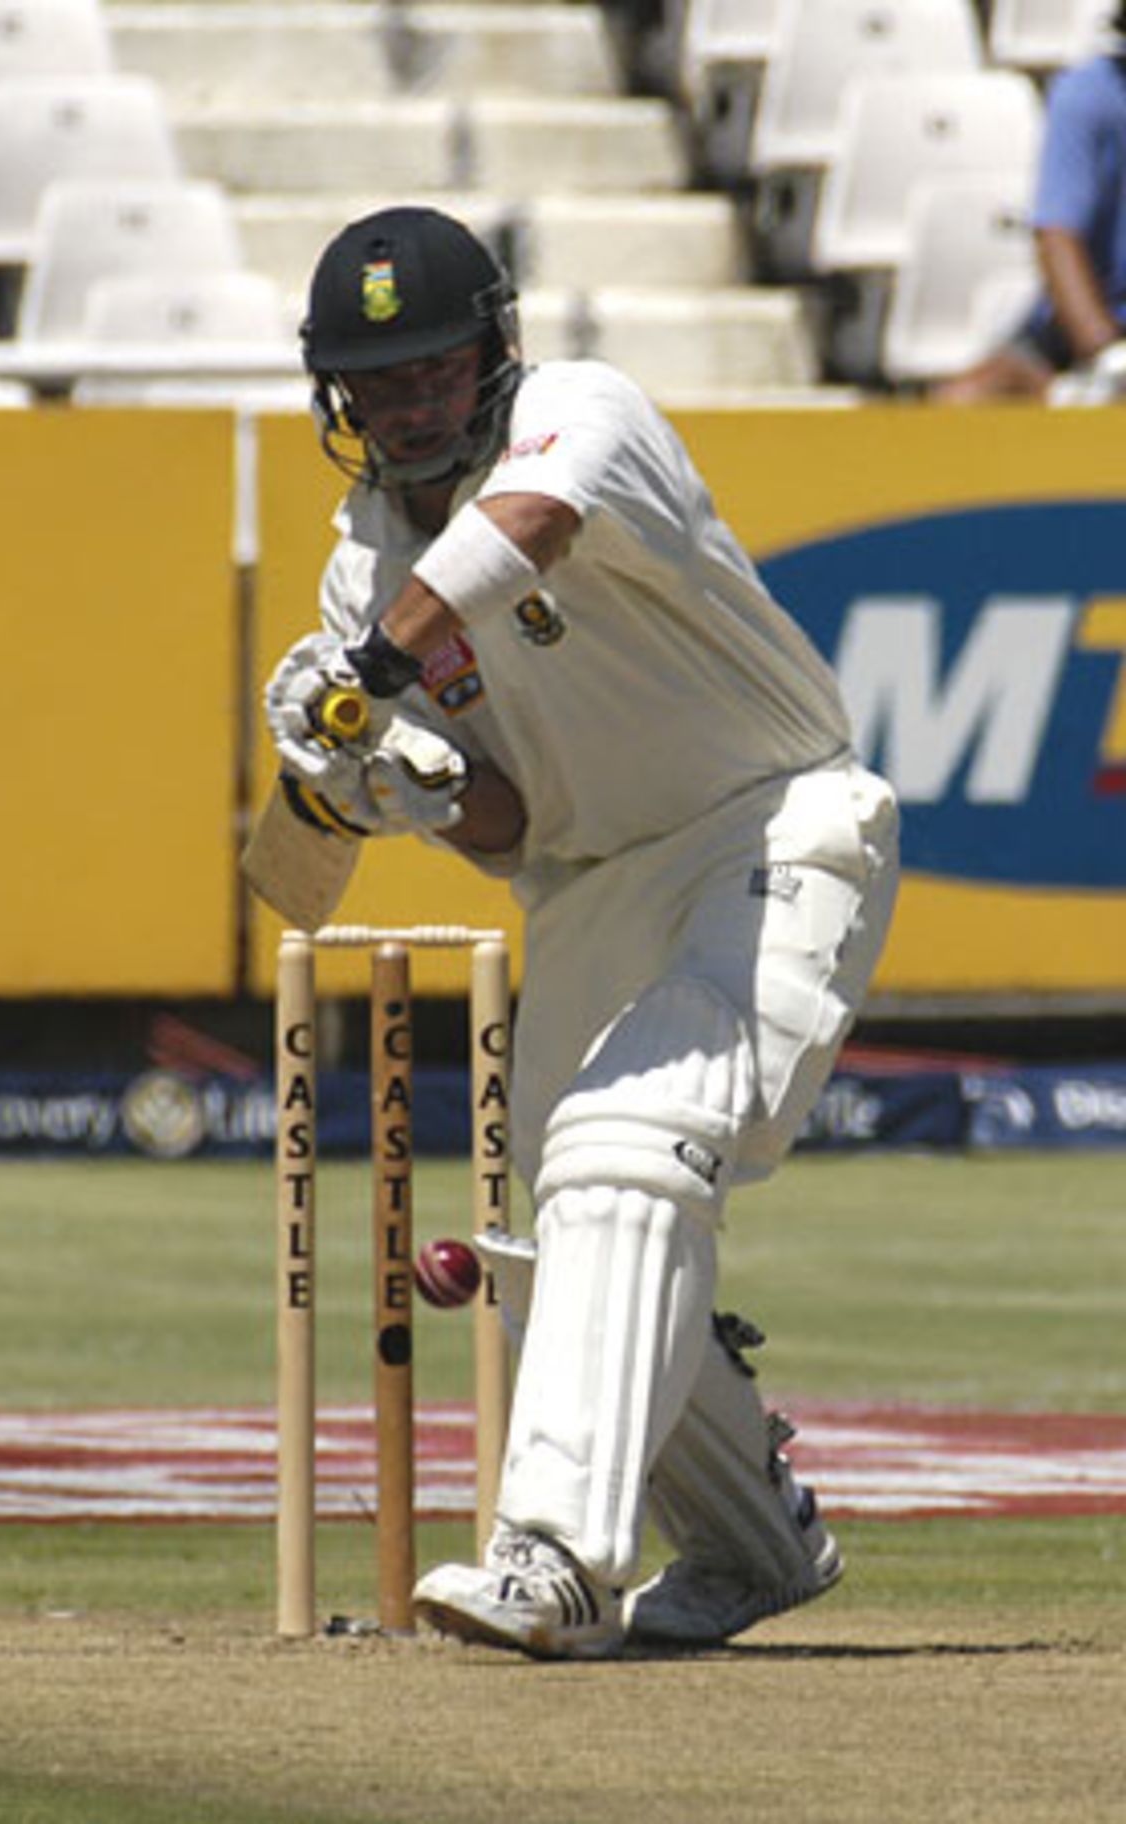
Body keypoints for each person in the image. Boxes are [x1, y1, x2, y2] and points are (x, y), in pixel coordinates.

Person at [264, 204, 900, 1660]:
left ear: (495, 354)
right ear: (338, 399)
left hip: (774, 821)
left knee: (629, 1155)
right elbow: (506, 827)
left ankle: (552, 1559)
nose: (412, 404)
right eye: (381, 383)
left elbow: (527, 530)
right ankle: (754, 1543)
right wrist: (398, 783)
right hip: (589, 888)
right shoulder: (359, 570)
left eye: (437, 369)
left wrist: (367, 673)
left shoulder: (583, 414)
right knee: (574, 1237)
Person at [935, 13, 1126, 401]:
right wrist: (1109, 359)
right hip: (1077, 345)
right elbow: (1058, 237)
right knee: (962, 400)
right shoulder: (1086, 95)